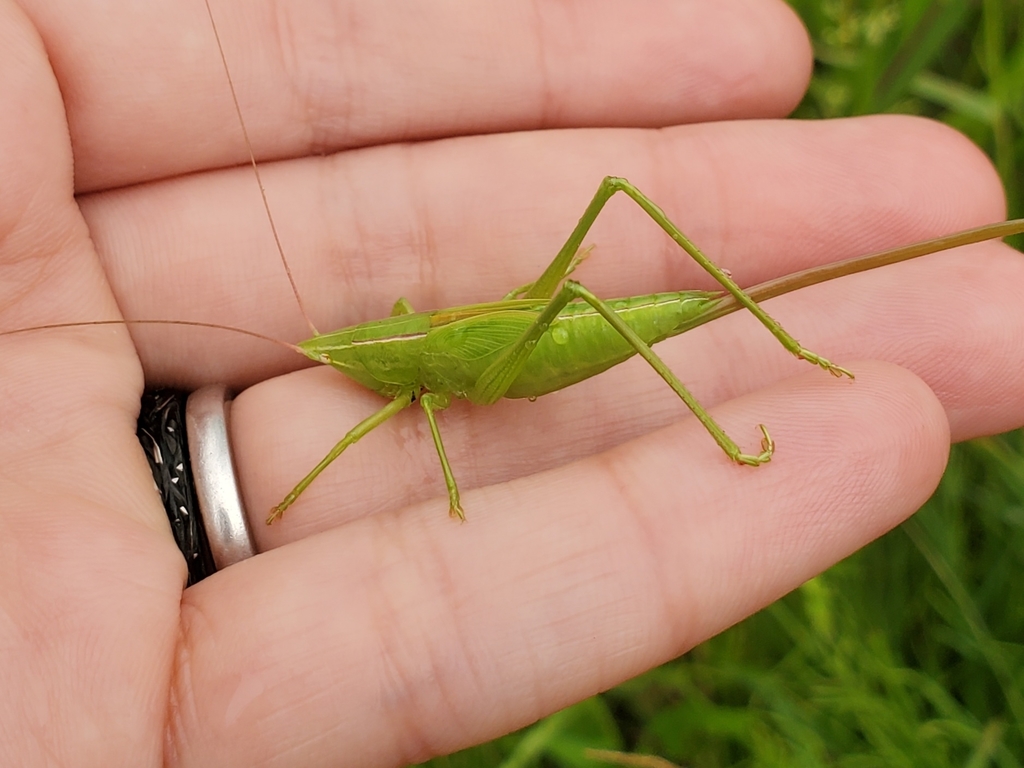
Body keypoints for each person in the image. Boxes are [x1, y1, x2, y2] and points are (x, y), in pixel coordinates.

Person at [3, 0, 1023, 765]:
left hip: (536, 345)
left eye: (338, 362)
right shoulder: (368, 357)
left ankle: (777, 372)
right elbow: (397, 368)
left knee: (624, 215)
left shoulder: (408, 384)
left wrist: (398, 474)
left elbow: (416, 412)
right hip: (512, 342)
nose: (332, 370)